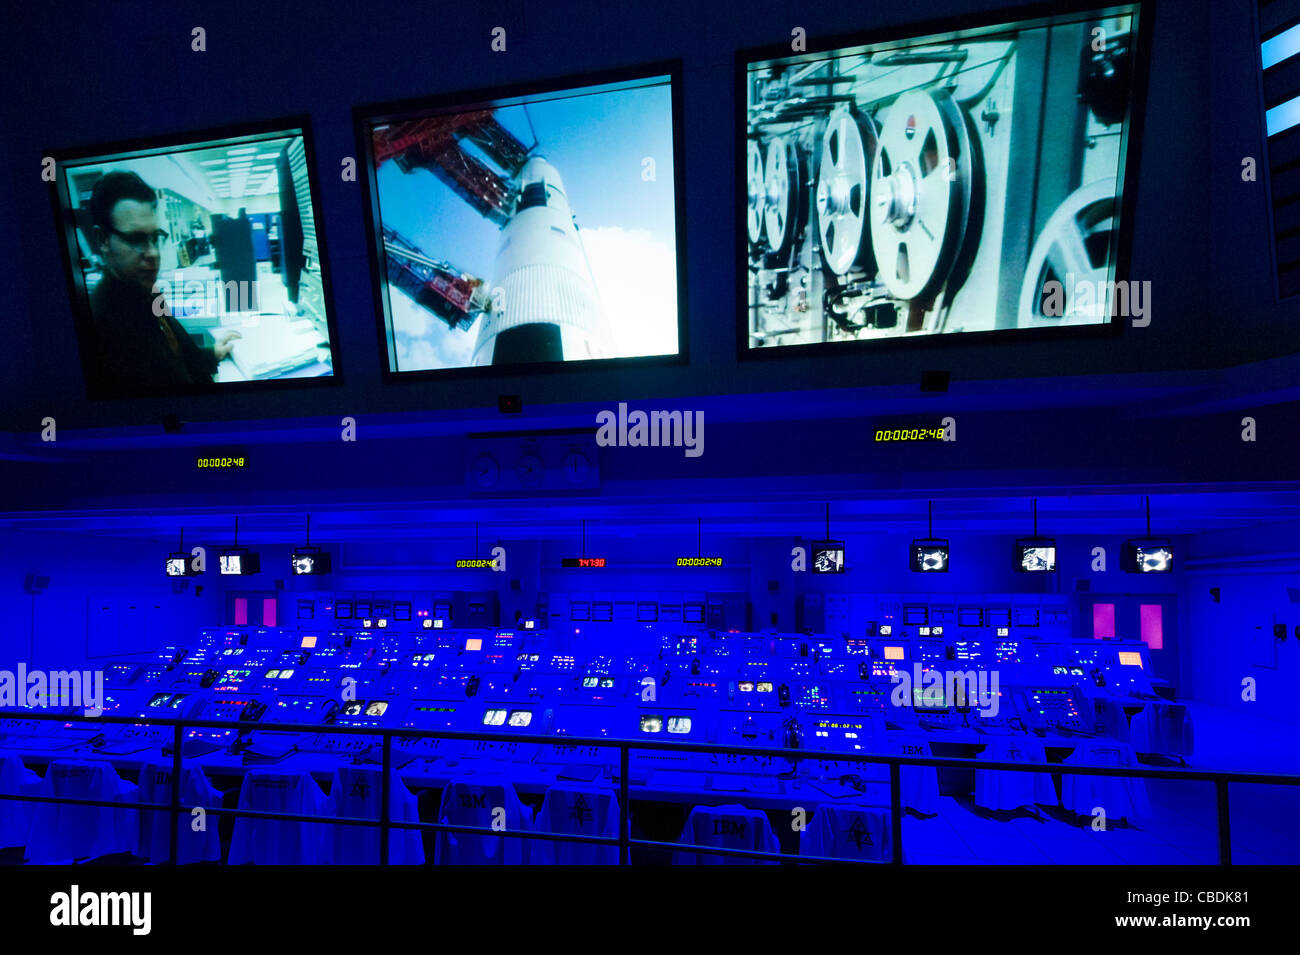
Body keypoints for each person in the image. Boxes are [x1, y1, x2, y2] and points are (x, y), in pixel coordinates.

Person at [84, 170, 240, 395]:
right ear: (103, 240)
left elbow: (174, 353)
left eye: (155, 237)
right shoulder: (101, 325)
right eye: (136, 239)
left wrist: (212, 352)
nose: (153, 253)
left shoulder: (146, 290)